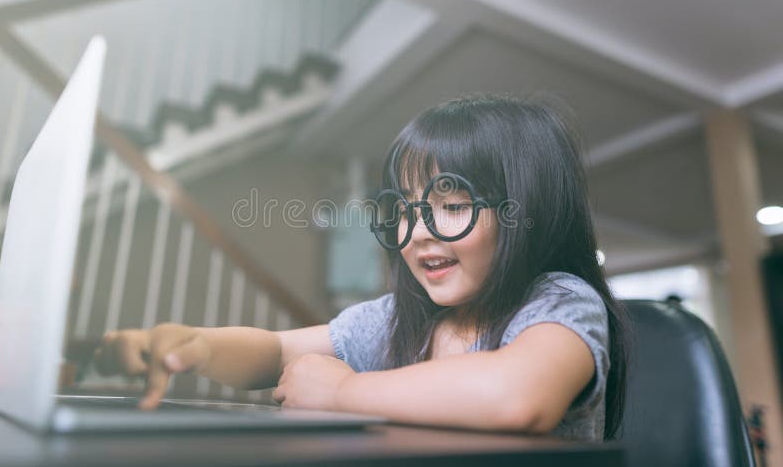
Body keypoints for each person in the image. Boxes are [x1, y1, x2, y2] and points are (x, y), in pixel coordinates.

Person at [95, 94, 629, 442]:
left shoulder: (560, 302)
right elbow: (275, 353)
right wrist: (199, 346)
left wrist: (340, 394)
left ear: (528, 214)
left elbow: (518, 398)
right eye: (405, 210)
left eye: (452, 205)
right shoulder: (399, 319)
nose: (417, 233)